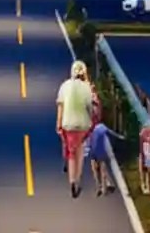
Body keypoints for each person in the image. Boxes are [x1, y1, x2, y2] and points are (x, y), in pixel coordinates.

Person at [55, 59, 95, 198]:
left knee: (71, 154)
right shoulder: (87, 88)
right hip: (82, 125)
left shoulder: (65, 86)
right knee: (79, 153)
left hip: (68, 124)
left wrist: (58, 124)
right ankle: (77, 180)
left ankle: (72, 181)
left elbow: (60, 107)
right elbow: (90, 108)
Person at [86, 120, 125, 196]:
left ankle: (100, 187)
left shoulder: (91, 129)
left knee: (97, 170)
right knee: (101, 170)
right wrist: (120, 137)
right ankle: (103, 188)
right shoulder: (101, 127)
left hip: (95, 151)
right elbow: (112, 133)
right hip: (99, 151)